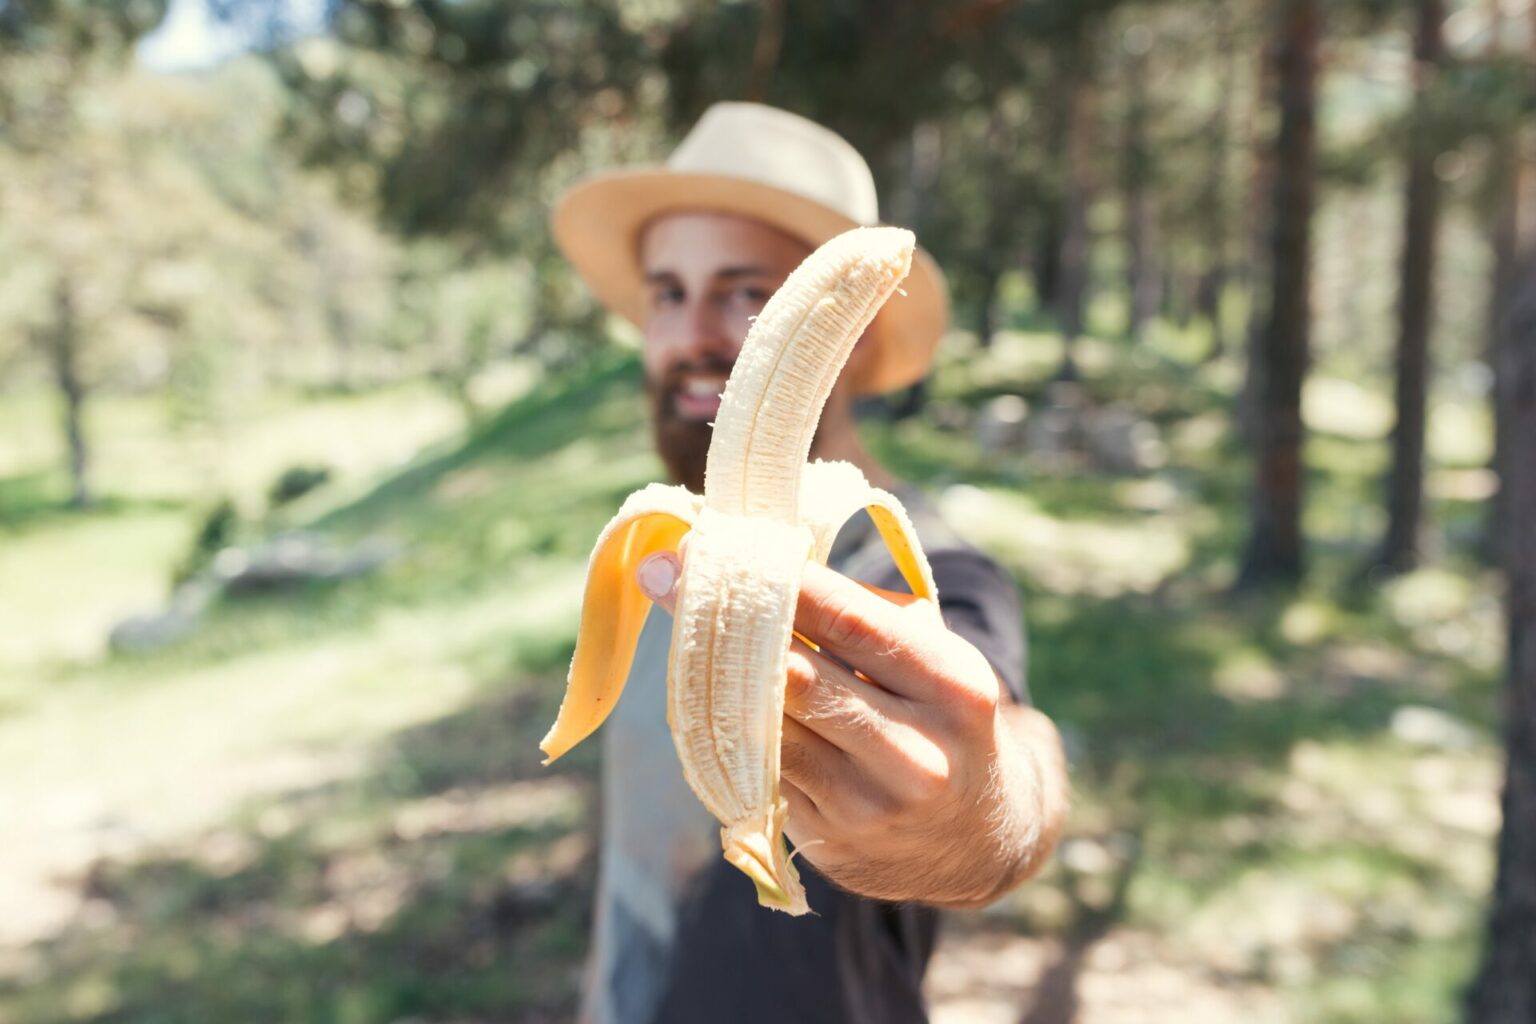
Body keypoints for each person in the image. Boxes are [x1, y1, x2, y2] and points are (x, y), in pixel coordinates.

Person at [551, 102, 1069, 1024]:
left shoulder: (923, 571)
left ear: (853, 333)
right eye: (667, 292)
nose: (693, 333)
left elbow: (1005, 760)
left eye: (749, 291)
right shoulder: (664, 547)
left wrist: (980, 807)